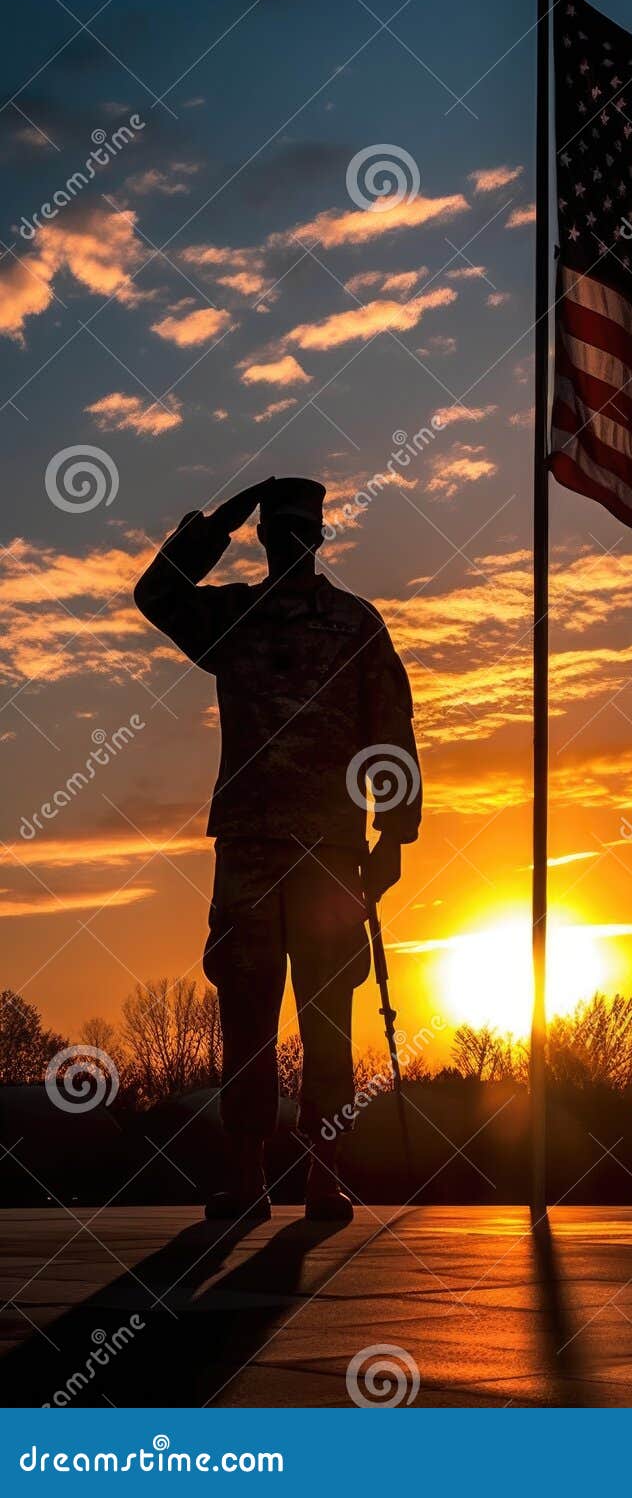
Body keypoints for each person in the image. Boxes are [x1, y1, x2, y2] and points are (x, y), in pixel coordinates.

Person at [134, 477, 421, 1223]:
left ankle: (324, 1174)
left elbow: (390, 734)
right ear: (263, 539)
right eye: (276, 530)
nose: (289, 542)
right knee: (247, 1016)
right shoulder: (234, 618)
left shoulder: (356, 626)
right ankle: (248, 1174)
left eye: (300, 532)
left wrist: (394, 835)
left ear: (318, 538)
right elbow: (157, 593)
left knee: (328, 1021)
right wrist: (222, 516)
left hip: (331, 851)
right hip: (252, 849)